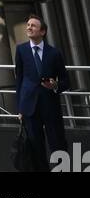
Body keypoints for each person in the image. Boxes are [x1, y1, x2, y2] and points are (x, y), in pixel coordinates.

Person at [15, 14, 69, 171]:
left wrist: (55, 85)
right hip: (29, 107)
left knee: (58, 144)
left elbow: (66, 80)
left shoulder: (54, 53)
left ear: (43, 31)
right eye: (28, 25)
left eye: (33, 25)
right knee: (35, 147)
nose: (29, 27)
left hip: (50, 106)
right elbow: (19, 80)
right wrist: (20, 108)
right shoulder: (21, 50)